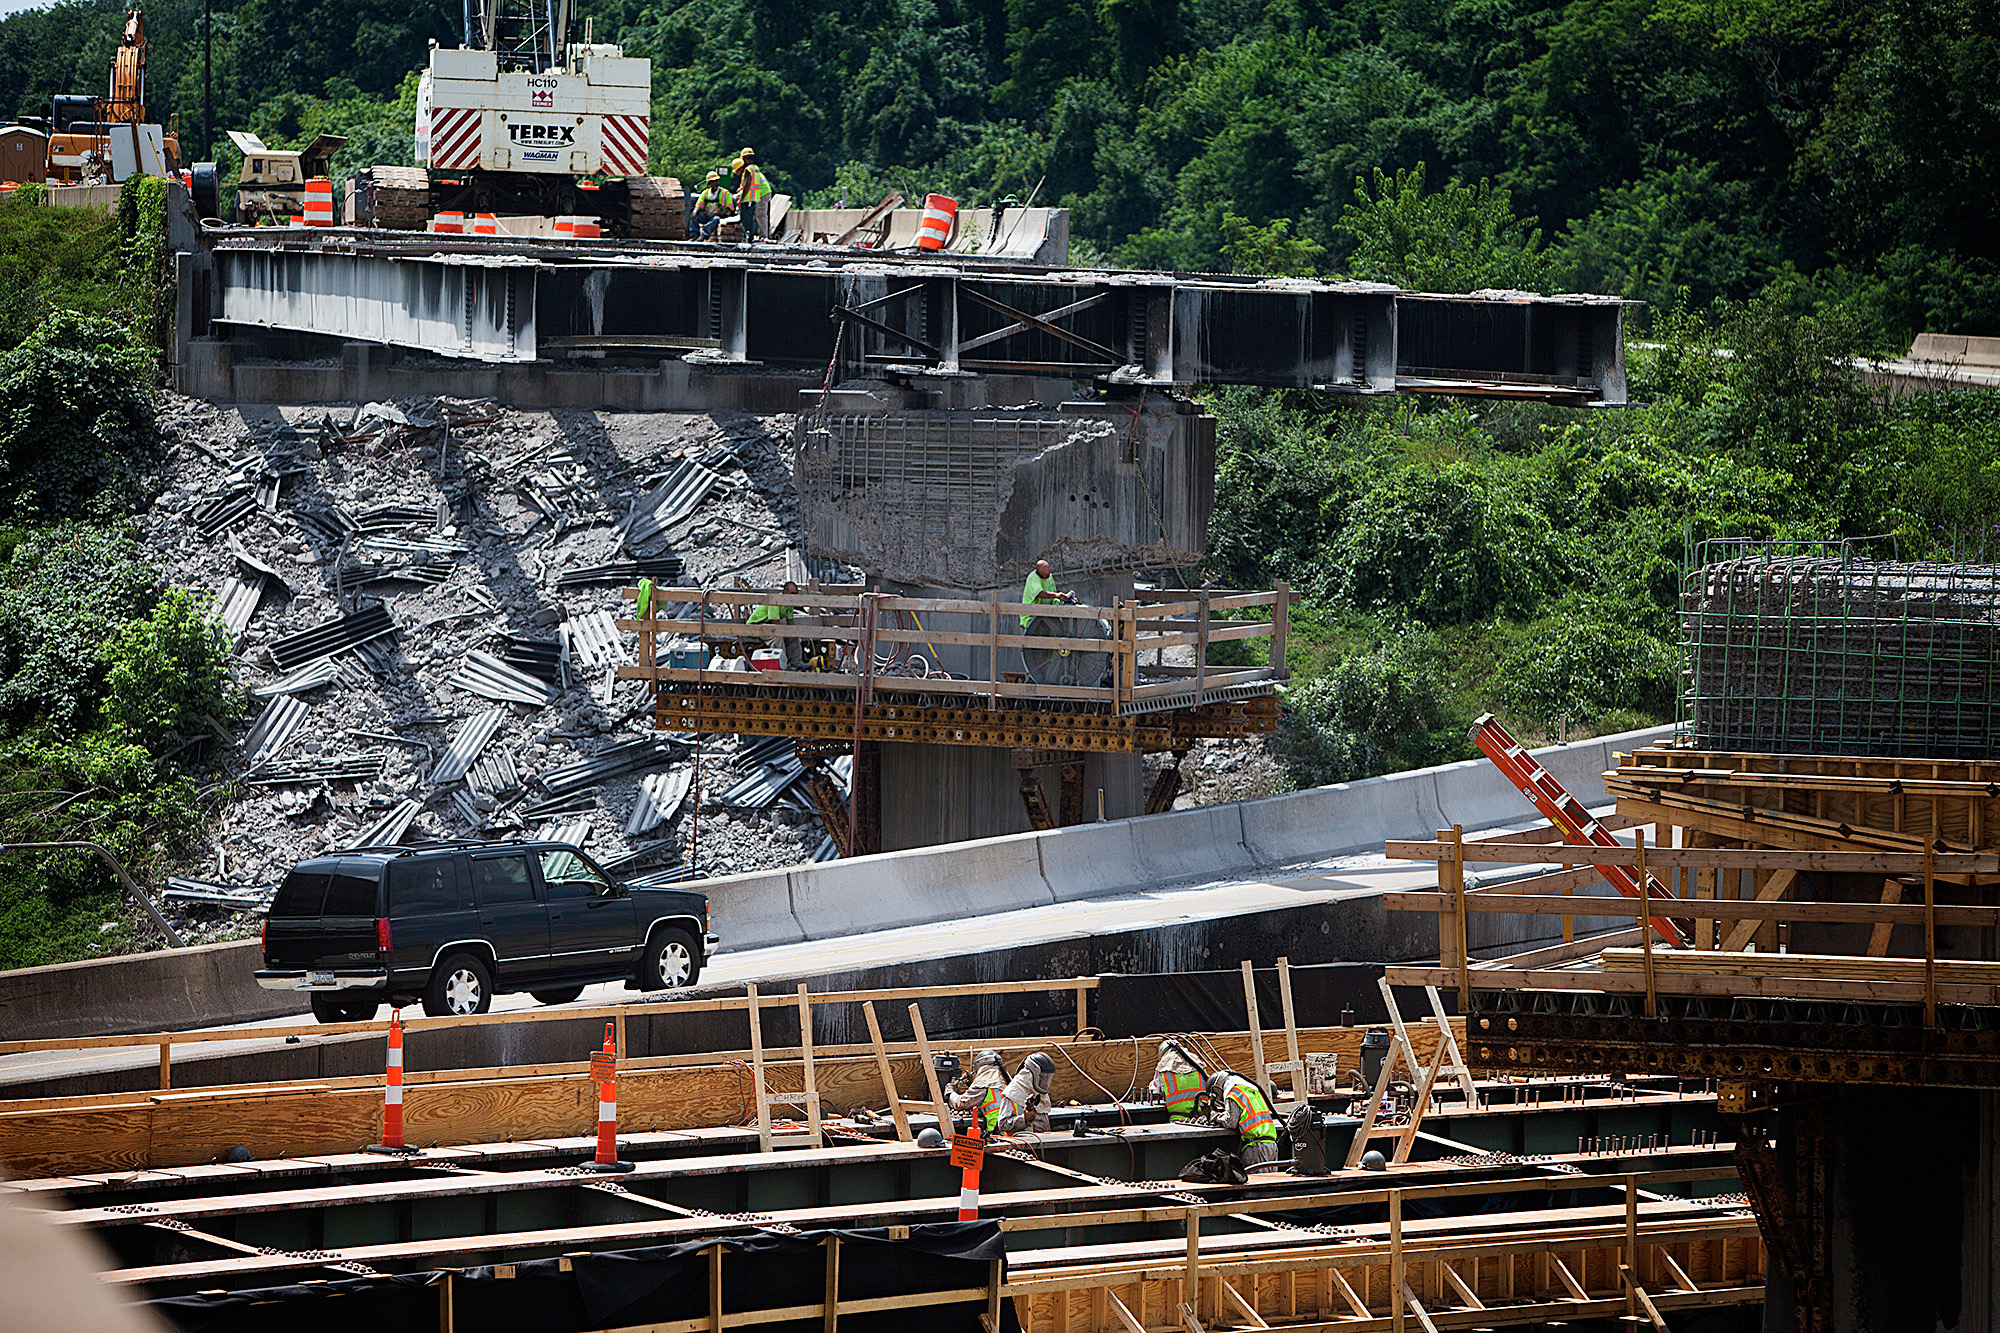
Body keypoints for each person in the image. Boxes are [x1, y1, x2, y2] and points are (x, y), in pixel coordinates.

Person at [1207, 1070, 1280, 1168]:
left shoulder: (1233, 1094)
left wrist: (1213, 1115)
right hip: (1271, 1145)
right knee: (1272, 1181)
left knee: (1256, 1181)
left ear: (1217, 1088)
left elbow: (1230, 1122)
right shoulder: (1250, 1090)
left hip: (1256, 1148)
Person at [947, 1048, 1010, 1133]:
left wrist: (950, 1093)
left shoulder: (983, 1083)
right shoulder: (1006, 1082)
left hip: (997, 1134)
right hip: (1013, 1132)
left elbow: (962, 1103)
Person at [994, 1052, 1055, 1134]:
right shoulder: (1013, 1093)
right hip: (1020, 1144)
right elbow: (1002, 1124)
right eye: (1042, 1077)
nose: (1044, 1081)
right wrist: (1024, 1119)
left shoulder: (1040, 1094)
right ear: (1032, 1075)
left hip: (1041, 1142)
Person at [1147, 1041, 1205, 1122]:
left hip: (1179, 1119)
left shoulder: (1163, 1067)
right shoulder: (1197, 1062)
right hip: (1203, 1118)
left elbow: (1156, 1090)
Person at [747, 581, 800, 668]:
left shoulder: (789, 604)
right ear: (785, 592)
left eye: (796, 593)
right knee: (777, 636)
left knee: (794, 635)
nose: (794, 596)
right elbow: (774, 622)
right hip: (756, 625)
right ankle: (782, 664)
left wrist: (792, 633)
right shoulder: (775, 600)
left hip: (768, 624)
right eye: (792, 593)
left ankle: (796, 662)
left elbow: (790, 622)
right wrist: (786, 632)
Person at [733, 148, 773, 241]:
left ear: (745, 158)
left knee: (760, 215)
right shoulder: (755, 168)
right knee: (758, 215)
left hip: (762, 193)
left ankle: (764, 237)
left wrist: (741, 199)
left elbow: (748, 185)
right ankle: (761, 236)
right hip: (759, 194)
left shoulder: (748, 170)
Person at [1019, 558, 1063, 629]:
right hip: (1032, 618)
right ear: (1038, 573)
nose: (1048, 576)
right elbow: (1039, 593)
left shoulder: (1050, 577)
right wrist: (1056, 595)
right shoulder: (1033, 578)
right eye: (1045, 575)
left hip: (1045, 615)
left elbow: (1054, 593)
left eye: (1048, 573)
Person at [692, 170, 734, 240]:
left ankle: (704, 235)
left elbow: (729, 207)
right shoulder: (705, 193)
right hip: (707, 215)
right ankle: (694, 235)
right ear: (709, 183)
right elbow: (699, 204)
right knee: (694, 216)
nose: (716, 183)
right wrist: (695, 212)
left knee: (716, 219)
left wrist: (722, 213)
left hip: (719, 216)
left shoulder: (725, 192)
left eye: (717, 181)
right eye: (713, 181)